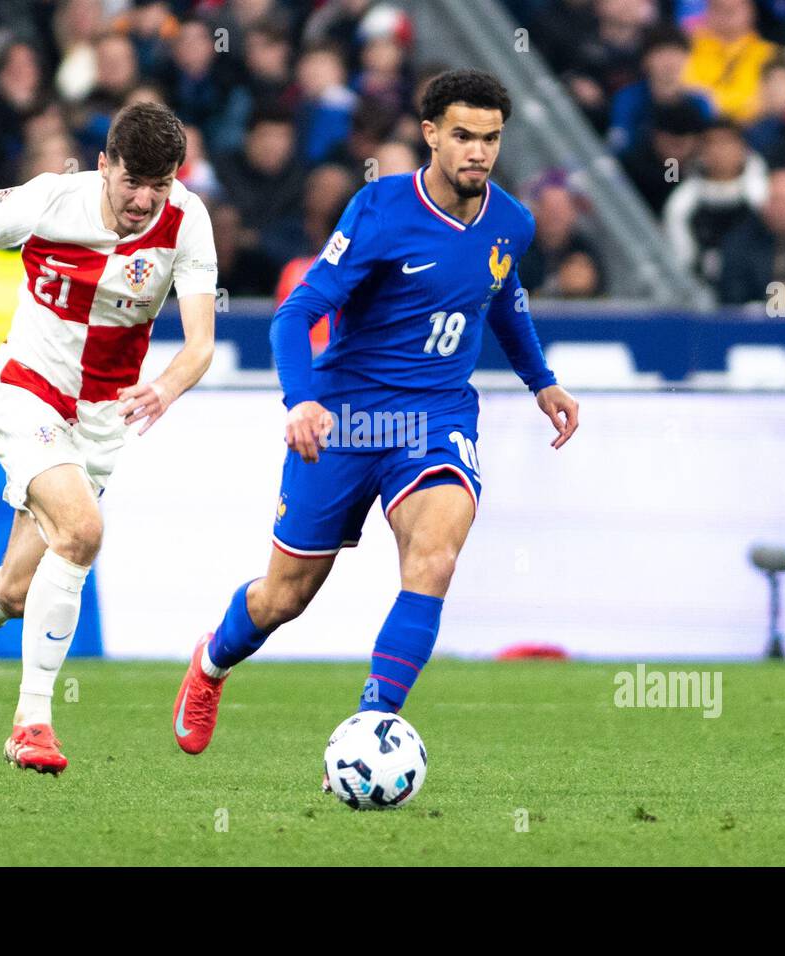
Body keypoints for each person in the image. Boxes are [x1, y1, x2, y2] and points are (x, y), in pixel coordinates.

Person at [168, 70, 580, 785]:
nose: (478, 152)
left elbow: (504, 299)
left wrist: (540, 380)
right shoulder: (381, 209)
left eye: (490, 138)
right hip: (343, 420)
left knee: (435, 560)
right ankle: (211, 662)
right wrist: (301, 401)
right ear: (429, 135)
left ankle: (372, 720)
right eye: (463, 136)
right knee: (284, 597)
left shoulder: (512, 221)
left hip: (436, 419)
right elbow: (296, 313)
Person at [0, 103, 217, 774]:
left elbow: (202, 343)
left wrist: (168, 386)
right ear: (103, 167)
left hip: (99, 422)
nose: (144, 201)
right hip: (25, 394)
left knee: (12, 592)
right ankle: (32, 722)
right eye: (131, 183)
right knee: (84, 530)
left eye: (159, 185)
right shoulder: (50, 200)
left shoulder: (188, 221)